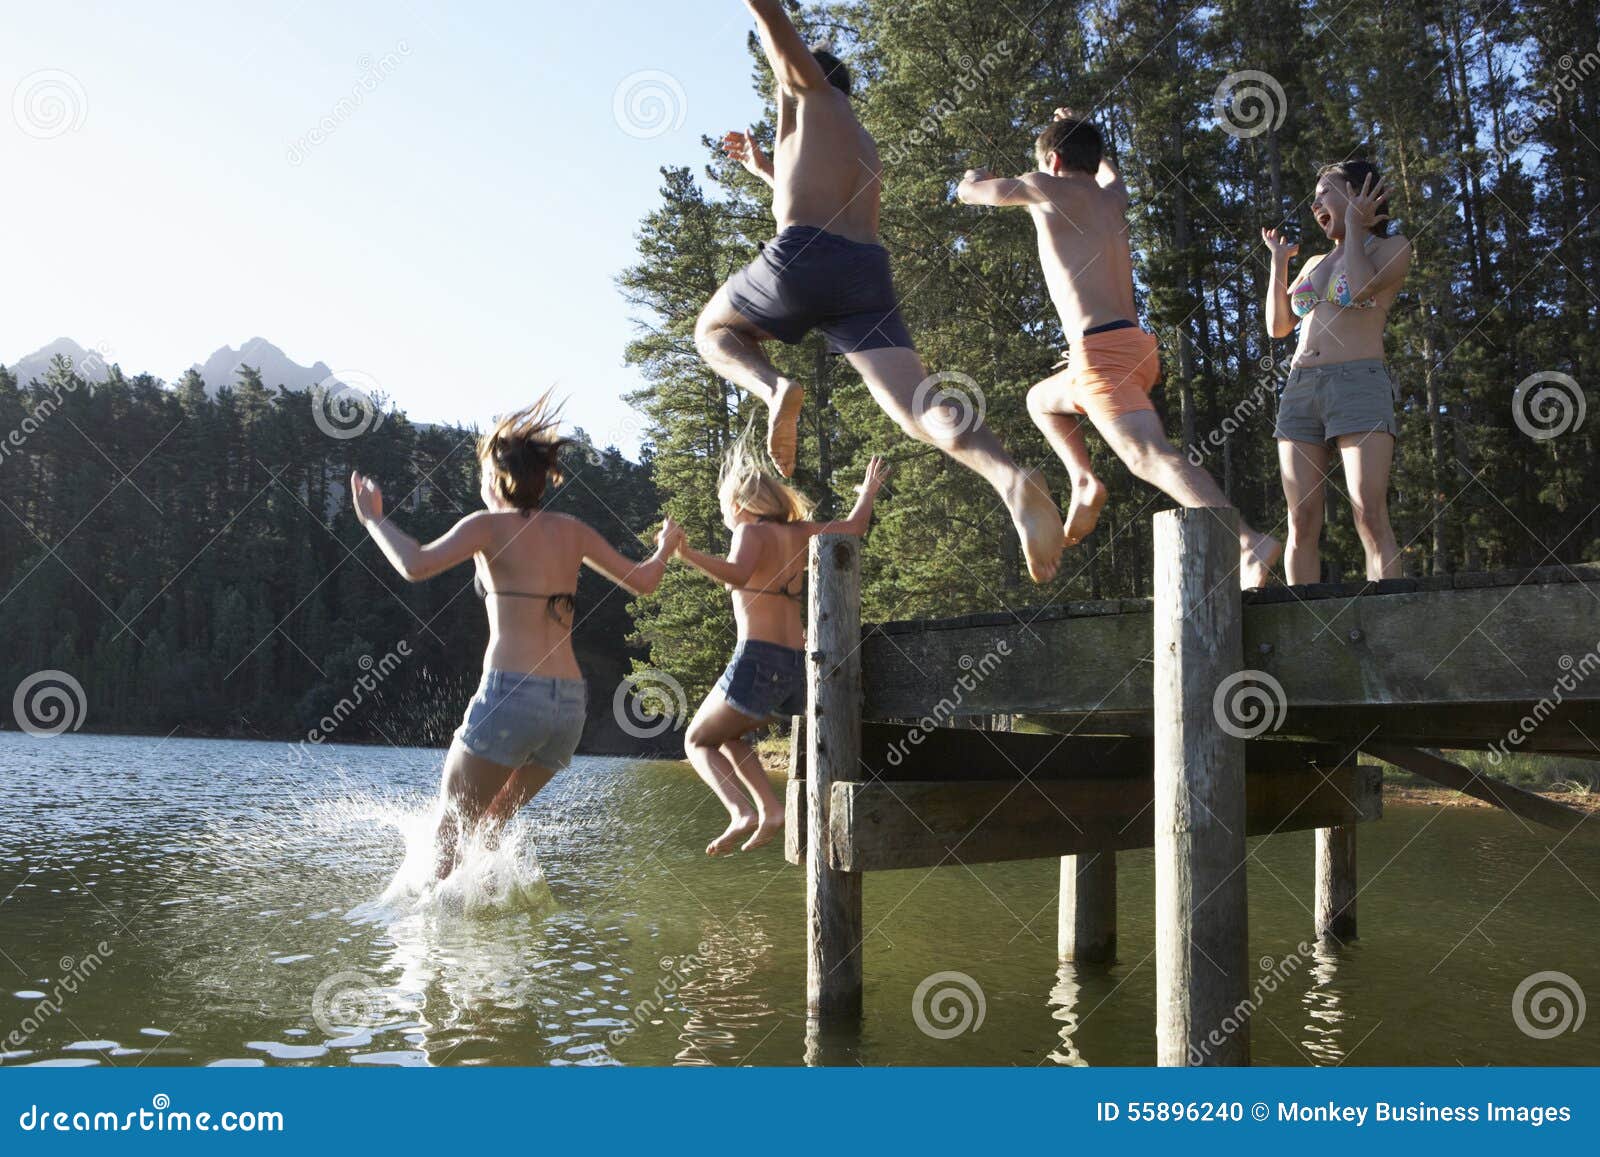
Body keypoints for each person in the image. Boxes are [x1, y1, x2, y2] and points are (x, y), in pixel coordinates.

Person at [696, 0, 1062, 583]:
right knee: (917, 407)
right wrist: (765, 168)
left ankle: (775, 390)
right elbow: (810, 184)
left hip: (802, 255)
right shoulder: (860, 142)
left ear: (803, 74)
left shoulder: (808, 88)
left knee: (712, 331)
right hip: (862, 272)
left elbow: (771, 24)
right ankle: (1010, 481)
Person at [351, 396, 682, 879]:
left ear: (498, 476)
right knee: (490, 824)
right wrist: (665, 549)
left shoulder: (487, 526)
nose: (480, 479)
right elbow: (645, 581)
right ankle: (480, 915)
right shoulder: (572, 530)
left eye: (484, 470)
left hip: (511, 696)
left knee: (450, 824)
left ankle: (431, 935)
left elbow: (415, 564)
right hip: (567, 709)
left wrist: (373, 519)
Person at [957, 108, 1282, 589]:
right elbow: (1114, 174)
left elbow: (971, 194)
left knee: (1148, 456)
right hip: (1132, 347)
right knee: (1042, 400)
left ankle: (1247, 541)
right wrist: (1088, 131)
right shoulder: (1113, 197)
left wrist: (973, 175)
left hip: (1103, 357)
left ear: (1052, 159)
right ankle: (1083, 480)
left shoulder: (1044, 187)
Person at [675, 429, 889, 855]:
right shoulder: (801, 532)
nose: (726, 520)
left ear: (738, 506)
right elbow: (855, 527)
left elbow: (737, 574)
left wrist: (686, 553)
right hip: (794, 666)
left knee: (696, 741)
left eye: (724, 512)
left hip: (756, 659)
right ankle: (770, 810)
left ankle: (742, 811)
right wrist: (867, 492)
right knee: (730, 737)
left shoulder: (749, 533)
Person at [1262, 161, 1411, 583]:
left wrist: (1357, 230)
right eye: (1314, 197)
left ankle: (1387, 623)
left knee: (1367, 511)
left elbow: (1361, 286)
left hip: (1359, 383)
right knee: (1302, 520)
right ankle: (1301, 630)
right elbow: (1278, 326)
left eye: (1325, 192)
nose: (1315, 204)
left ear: (1360, 193)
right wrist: (1279, 264)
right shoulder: (1313, 262)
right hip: (1300, 388)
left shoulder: (1391, 247)